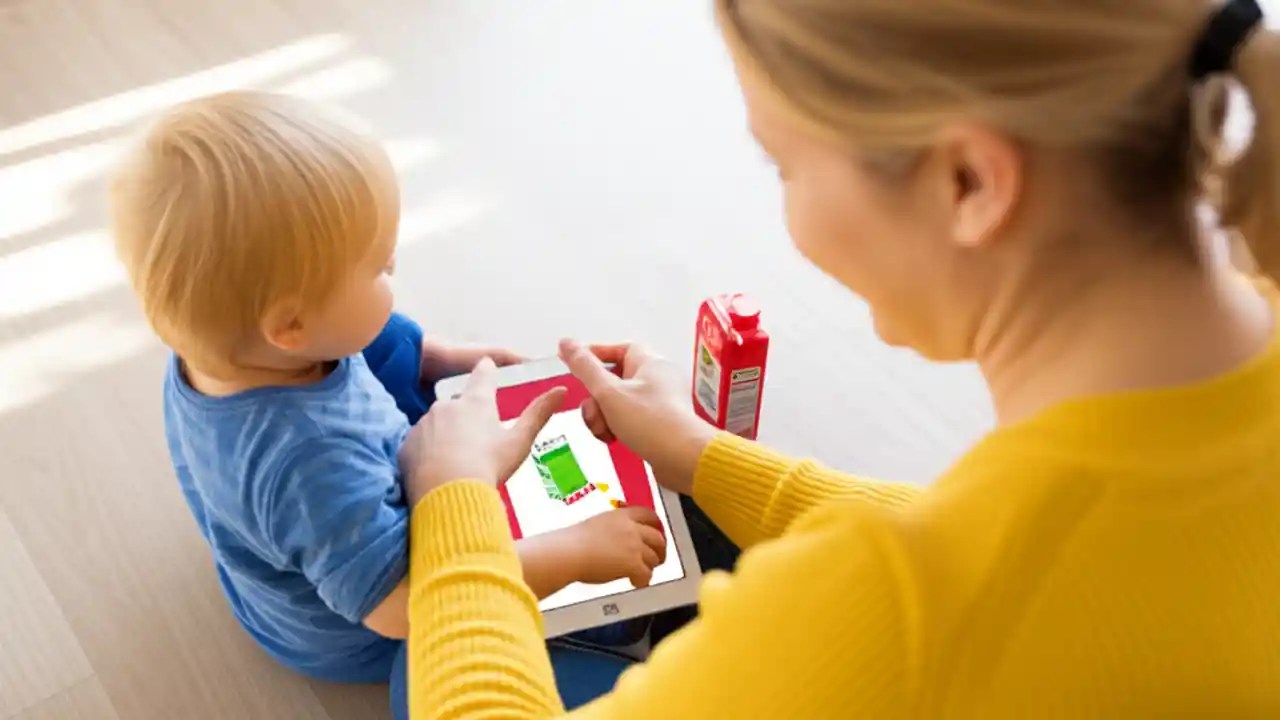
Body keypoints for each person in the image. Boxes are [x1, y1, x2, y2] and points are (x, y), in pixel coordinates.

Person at [395, 0, 1280, 716]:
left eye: (783, 165)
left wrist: (456, 508)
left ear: (970, 182)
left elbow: (948, 581)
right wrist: (709, 458)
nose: (791, 212)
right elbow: (1025, 543)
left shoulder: (888, 616)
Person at [108, 91, 669, 687]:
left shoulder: (235, 346)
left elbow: (372, 346)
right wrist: (576, 551)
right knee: (536, 622)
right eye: (379, 267)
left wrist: (445, 359)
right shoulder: (311, 461)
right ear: (290, 327)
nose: (394, 264)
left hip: (322, 534)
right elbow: (403, 606)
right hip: (372, 626)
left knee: (391, 349)